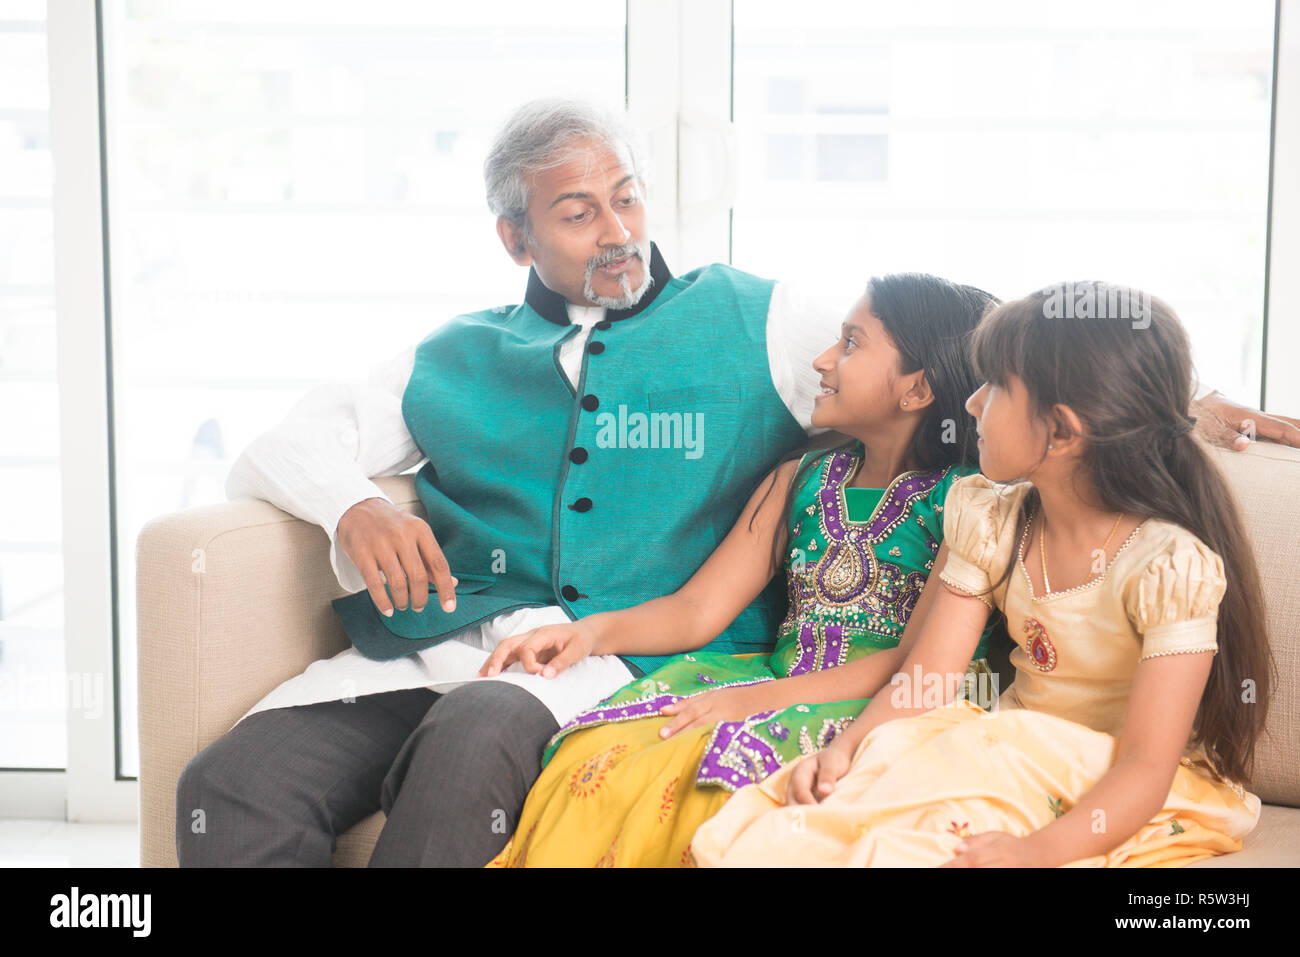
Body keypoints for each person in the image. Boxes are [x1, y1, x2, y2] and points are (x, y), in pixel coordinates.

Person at [174, 92, 1286, 867]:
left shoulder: (759, 321)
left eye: (626, 196)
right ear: (514, 235)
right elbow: (284, 442)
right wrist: (356, 502)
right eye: (576, 212)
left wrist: (1171, 405)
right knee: (231, 787)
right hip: (428, 649)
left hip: (594, 666)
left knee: (472, 747)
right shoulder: (450, 351)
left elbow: (965, 340)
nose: (616, 230)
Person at [691, 282, 1273, 867]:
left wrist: (1036, 853)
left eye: (995, 387)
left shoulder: (1169, 567)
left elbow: (1147, 768)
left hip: (1114, 784)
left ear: (1062, 432)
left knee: (903, 842)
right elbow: (927, 680)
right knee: (803, 817)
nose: (969, 404)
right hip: (1006, 748)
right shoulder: (990, 520)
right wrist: (846, 749)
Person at [480, 273, 1006, 867]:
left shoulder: (967, 502)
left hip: (890, 706)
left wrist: (760, 700)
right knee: (614, 749)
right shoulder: (801, 478)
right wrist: (590, 633)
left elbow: (915, 666)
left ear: (917, 391)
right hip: (772, 677)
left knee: (726, 770)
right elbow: (697, 609)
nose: (823, 360)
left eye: (851, 345)